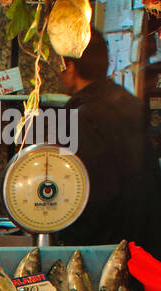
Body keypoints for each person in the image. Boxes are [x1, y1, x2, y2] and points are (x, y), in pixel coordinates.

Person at [61, 29, 161, 256]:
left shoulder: (82, 116)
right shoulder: (126, 102)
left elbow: (89, 195)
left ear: (71, 68)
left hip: (107, 251)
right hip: (145, 245)